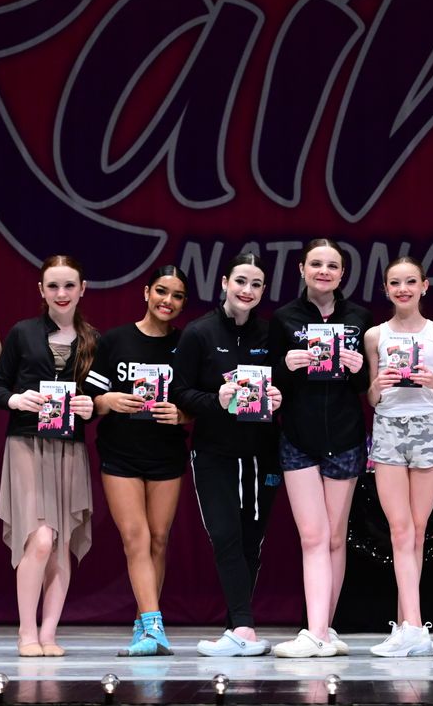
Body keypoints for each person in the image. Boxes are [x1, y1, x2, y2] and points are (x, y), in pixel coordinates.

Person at [0, 255, 99, 657]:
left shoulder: (92, 340)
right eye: (53, 286)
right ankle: (26, 632)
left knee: (62, 540)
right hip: (26, 444)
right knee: (39, 538)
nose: (62, 294)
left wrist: (91, 406)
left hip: (69, 448)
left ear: (83, 289)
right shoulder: (22, 333)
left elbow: (98, 396)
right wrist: (18, 398)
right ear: (41, 290)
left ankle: (49, 633)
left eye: (69, 285)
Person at [268, 240, 372, 658]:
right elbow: (270, 381)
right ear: (302, 268)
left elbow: (366, 388)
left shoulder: (359, 318)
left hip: (345, 437)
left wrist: (360, 369)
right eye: (316, 264)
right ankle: (315, 632)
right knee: (312, 537)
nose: (324, 271)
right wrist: (286, 366)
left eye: (332, 265)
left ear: (342, 274)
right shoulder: (283, 318)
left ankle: (323, 631)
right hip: (298, 438)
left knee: (333, 538)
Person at [83, 265, 190, 656]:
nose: (168, 301)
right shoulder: (115, 340)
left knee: (158, 540)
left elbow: (198, 401)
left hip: (166, 453)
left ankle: (146, 624)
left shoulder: (186, 344)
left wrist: (183, 414)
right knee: (136, 539)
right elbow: (87, 401)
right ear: (146, 292)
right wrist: (106, 402)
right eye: (162, 291)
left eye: (177, 296)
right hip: (121, 453)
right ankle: (153, 627)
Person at [178, 253, 281, 657]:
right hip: (214, 453)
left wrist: (278, 396)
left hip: (262, 454)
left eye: (256, 284)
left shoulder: (270, 335)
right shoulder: (198, 333)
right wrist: (214, 399)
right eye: (241, 281)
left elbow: (284, 389)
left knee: (251, 541)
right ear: (224, 282)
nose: (247, 290)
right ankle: (244, 627)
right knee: (225, 536)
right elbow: (179, 392)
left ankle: (236, 628)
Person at [364, 257, 433, 658]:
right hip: (387, 429)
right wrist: (378, 384)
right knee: (399, 531)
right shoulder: (375, 336)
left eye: (410, 282)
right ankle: (413, 627)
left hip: (428, 428)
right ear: (386, 289)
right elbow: (370, 397)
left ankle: (408, 626)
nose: (403, 289)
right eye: (395, 283)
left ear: (424, 286)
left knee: (417, 531)